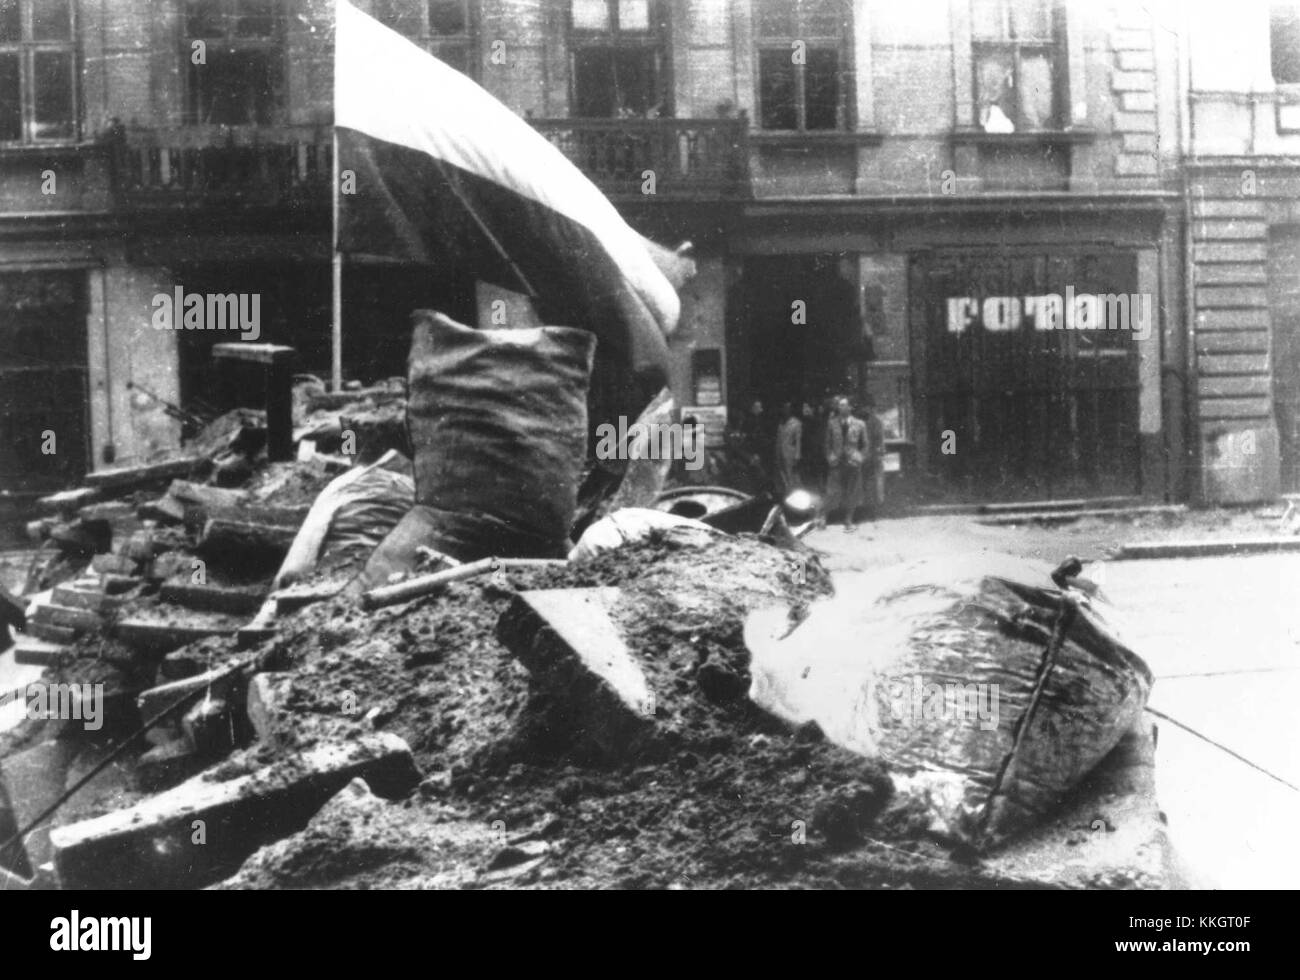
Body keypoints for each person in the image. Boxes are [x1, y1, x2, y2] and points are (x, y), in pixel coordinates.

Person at [824, 395, 869, 531]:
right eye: (839, 405)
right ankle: (823, 517)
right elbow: (827, 443)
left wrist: (860, 457)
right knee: (832, 490)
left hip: (852, 461)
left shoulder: (860, 424)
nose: (841, 407)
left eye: (844, 405)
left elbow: (865, 445)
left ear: (850, 407)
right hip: (837, 461)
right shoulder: (832, 423)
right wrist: (829, 457)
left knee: (852, 491)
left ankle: (848, 519)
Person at [774, 402, 802, 497]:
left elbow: (798, 441)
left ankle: (793, 495)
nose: (785, 411)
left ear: (791, 410)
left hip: (790, 453)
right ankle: (786, 494)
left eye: (787, 409)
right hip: (780, 453)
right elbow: (778, 439)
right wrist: (776, 453)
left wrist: (797, 456)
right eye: (784, 408)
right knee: (782, 476)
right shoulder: (781, 423)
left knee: (791, 476)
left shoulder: (796, 423)